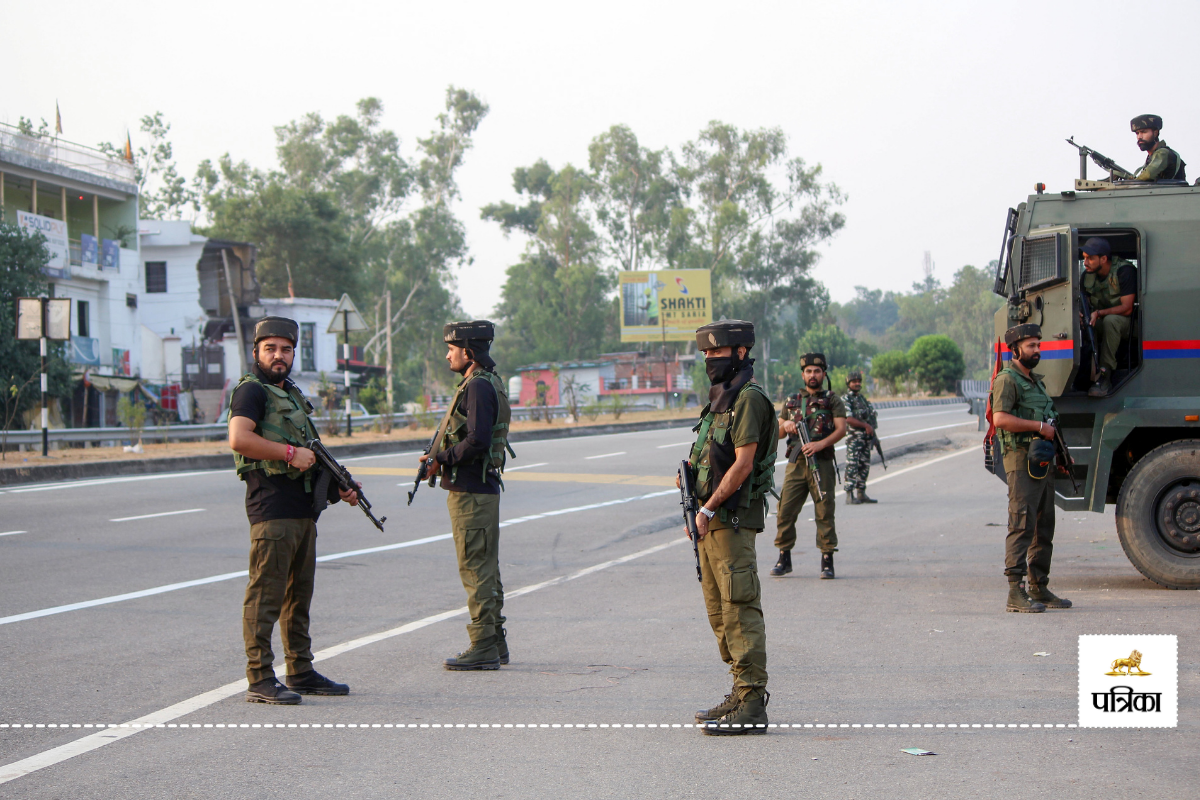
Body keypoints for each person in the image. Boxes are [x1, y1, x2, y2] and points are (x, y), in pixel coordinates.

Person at [228, 316, 359, 704]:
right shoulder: (252, 392)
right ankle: (259, 677)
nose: (278, 355)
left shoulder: (292, 394)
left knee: (298, 597)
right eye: (270, 348)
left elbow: (312, 456)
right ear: (256, 352)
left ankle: (300, 669)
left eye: (285, 349)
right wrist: (288, 453)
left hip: (302, 510)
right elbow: (239, 438)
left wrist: (339, 486)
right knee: (266, 595)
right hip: (272, 507)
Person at [682, 320, 778, 735]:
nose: (708, 360)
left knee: (740, 609)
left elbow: (742, 464)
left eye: (715, 353)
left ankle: (753, 701)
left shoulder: (749, 399)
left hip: (730, 520)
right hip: (711, 523)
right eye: (704, 354)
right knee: (719, 611)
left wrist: (707, 508)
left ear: (739, 353)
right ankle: (740, 691)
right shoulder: (720, 400)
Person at [421, 320, 513, 671]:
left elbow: (476, 441)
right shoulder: (488, 382)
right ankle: (495, 641)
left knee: (475, 568)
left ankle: (483, 645)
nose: (448, 355)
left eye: (452, 349)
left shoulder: (476, 387)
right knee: (485, 566)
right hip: (480, 490)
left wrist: (440, 458)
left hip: (472, 492)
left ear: (468, 352)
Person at [990, 323, 1072, 613]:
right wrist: (1038, 427)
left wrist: (1062, 456)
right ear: (1015, 350)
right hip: (1021, 461)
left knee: (1043, 526)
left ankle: (1039, 586)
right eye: (1031, 346)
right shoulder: (1007, 380)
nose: (1037, 350)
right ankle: (1016, 592)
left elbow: (1051, 422)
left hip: (1042, 461)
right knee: (1022, 523)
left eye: (1039, 345)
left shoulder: (1036, 382)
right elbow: (1000, 418)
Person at [770, 353, 847, 579]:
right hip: (796, 464)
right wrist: (788, 424)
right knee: (784, 510)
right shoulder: (792, 401)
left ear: (824, 374)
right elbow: (778, 431)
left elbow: (841, 429)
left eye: (817, 371)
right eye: (809, 371)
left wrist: (819, 444)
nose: (812, 375)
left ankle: (827, 560)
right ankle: (784, 557)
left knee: (824, 511)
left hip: (821, 462)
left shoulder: (832, 400)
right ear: (803, 374)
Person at [1080, 237, 1136, 397]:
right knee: (1086, 324)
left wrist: (1099, 313)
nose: (1085, 262)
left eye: (1090, 258)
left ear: (1104, 259)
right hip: (1103, 320)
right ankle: (1086, 372)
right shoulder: (1087, 276)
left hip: (1130, 324)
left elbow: (1127, 308)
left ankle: (1105, 374)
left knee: (1110, 321)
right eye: (1084, 258)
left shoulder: (1124, 271)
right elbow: (1086, 303)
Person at [841, 370, 879, 505]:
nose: (857, 383)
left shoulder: (862, 399)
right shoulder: (846, 399)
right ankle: (849, 494)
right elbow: (849, 418)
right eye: (854, 381)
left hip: (865, 439)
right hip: (854, 439)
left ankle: (861, 493)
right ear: (848, 383)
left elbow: (870, 416)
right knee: (852, 465)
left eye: (859, 381)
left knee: (864, 466)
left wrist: (872, 432)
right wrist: (865, 426)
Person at [1113, 114, 1186, 182]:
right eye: (1137, 133)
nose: (1139, 137)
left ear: (1155, 133)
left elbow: (1147, 175)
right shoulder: (1152, 156)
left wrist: (1130, 182)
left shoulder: (1163, 153)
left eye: (1143, 132)